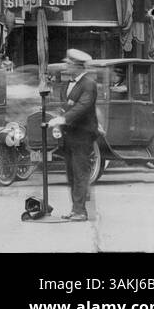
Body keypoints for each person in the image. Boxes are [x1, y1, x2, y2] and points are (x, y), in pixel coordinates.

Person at [48, 48, 98, 222]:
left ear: (78, 66)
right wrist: (57, 117)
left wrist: (63, 118)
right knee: (71, 174)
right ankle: (75, 209)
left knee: (80, 173)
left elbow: (82, 106)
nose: (66, 66)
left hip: (82, 135)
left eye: (68, 64)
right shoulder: (69, 83)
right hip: (69, 135)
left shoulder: (88, 84)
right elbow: (66, 106)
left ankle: (81, 212)